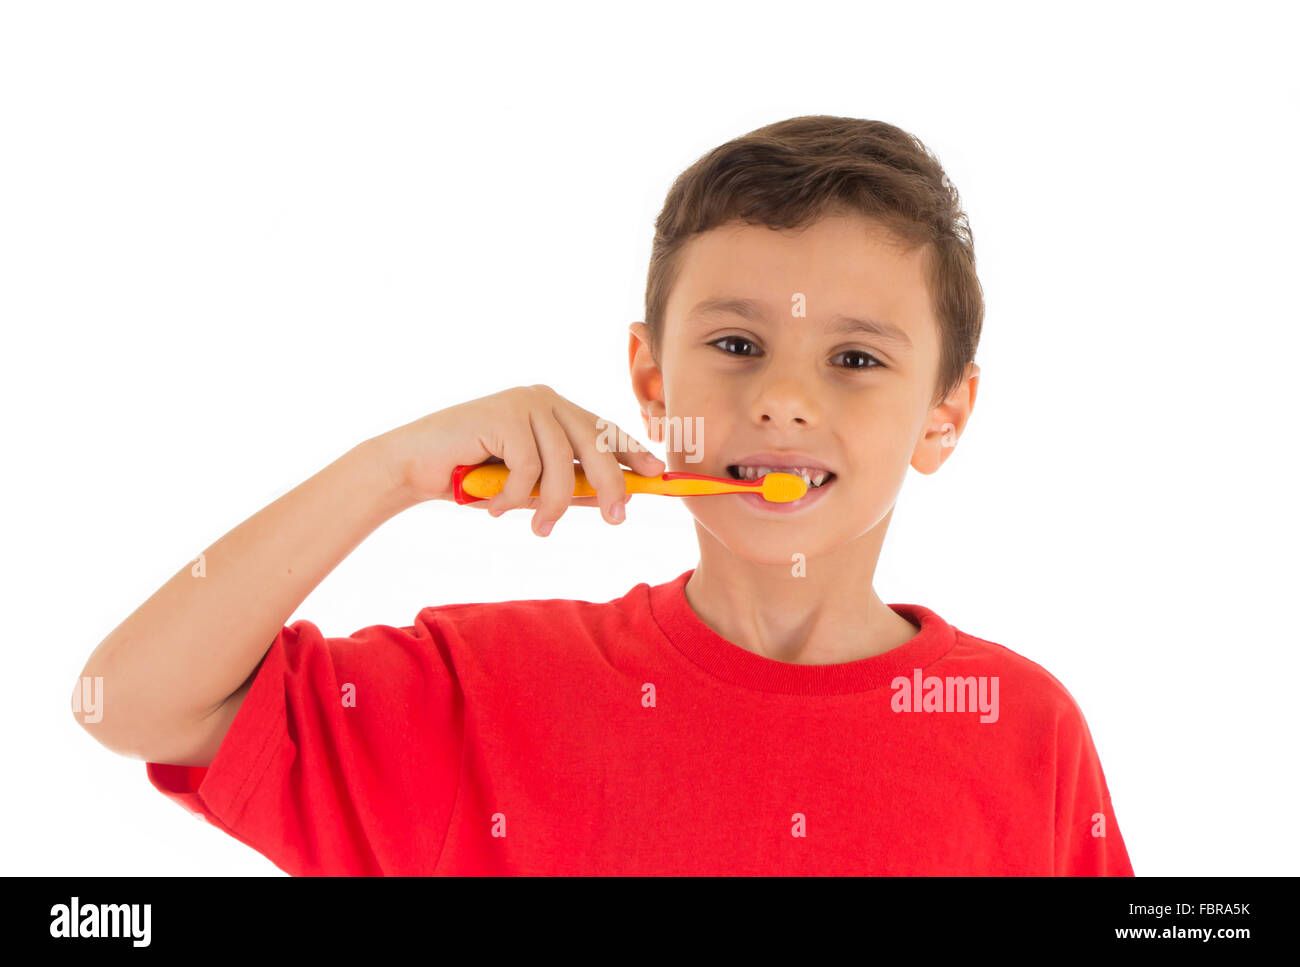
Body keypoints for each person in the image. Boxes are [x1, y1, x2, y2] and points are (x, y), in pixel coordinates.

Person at [73, 115, 1133, 875]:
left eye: (855, 359)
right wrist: (389, 468)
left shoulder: (1021, 730)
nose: (781, 400)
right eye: (734, 344)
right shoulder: (482, 694)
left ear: (944, 417)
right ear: (649, 380)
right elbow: (128, 702)